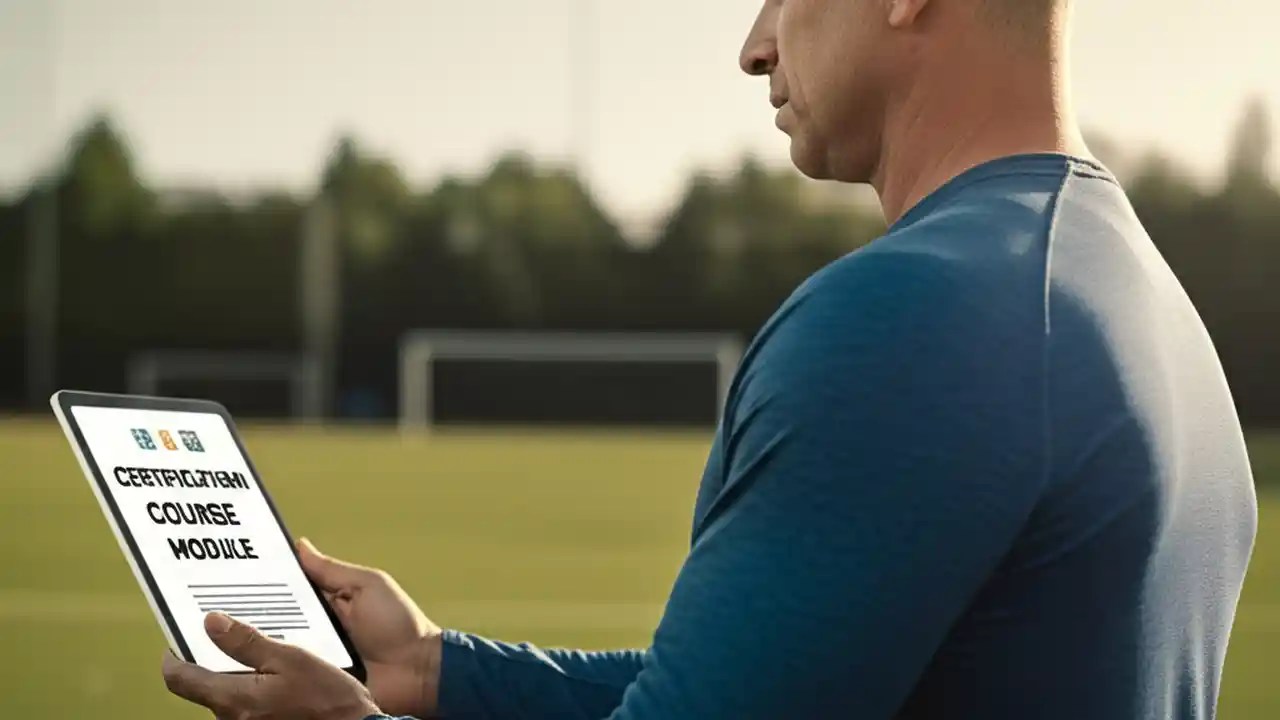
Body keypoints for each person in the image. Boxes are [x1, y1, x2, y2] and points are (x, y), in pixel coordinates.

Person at [163, 0, 1258, 718]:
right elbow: (743, 692)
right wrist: (436, 672)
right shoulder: (1141, 299)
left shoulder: (911, 315)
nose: (753, 41)